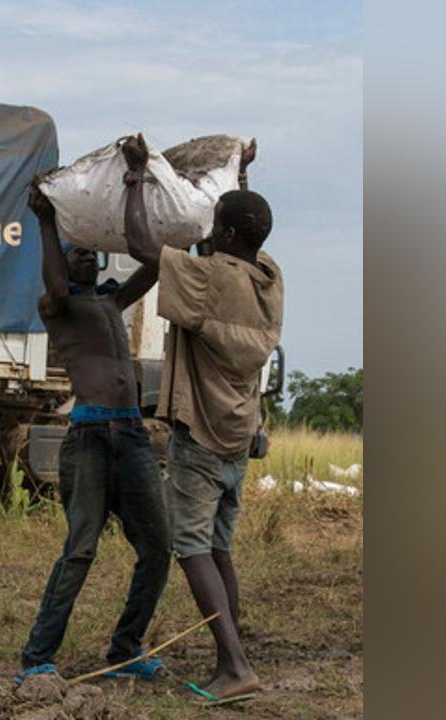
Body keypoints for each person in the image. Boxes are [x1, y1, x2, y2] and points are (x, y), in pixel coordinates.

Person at [120, 134, 284, 702]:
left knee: (189, 547)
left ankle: (236, 668)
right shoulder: (268, 281)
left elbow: (144, 247)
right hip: (238, 436)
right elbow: (241, 237)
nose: (208, 232)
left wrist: (136, 178)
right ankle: (229, 659)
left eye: (217, 225)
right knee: (218, 549)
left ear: (231, 236)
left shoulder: (210, 278)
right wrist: (237, 179)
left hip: (201, 437)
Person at [17, 185, 171, 683]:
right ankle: (37, 657)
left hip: (130, 436)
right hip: (88, 438)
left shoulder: (110, 301)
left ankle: (125, 651)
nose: (86, 256)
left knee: (158, 547)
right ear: (60, 262)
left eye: (90, 251)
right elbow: (59, 287)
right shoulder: (55, 305)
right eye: (76, 251)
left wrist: (135, 187)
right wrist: (46, 224)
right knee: (81, 549)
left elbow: (153, 267)